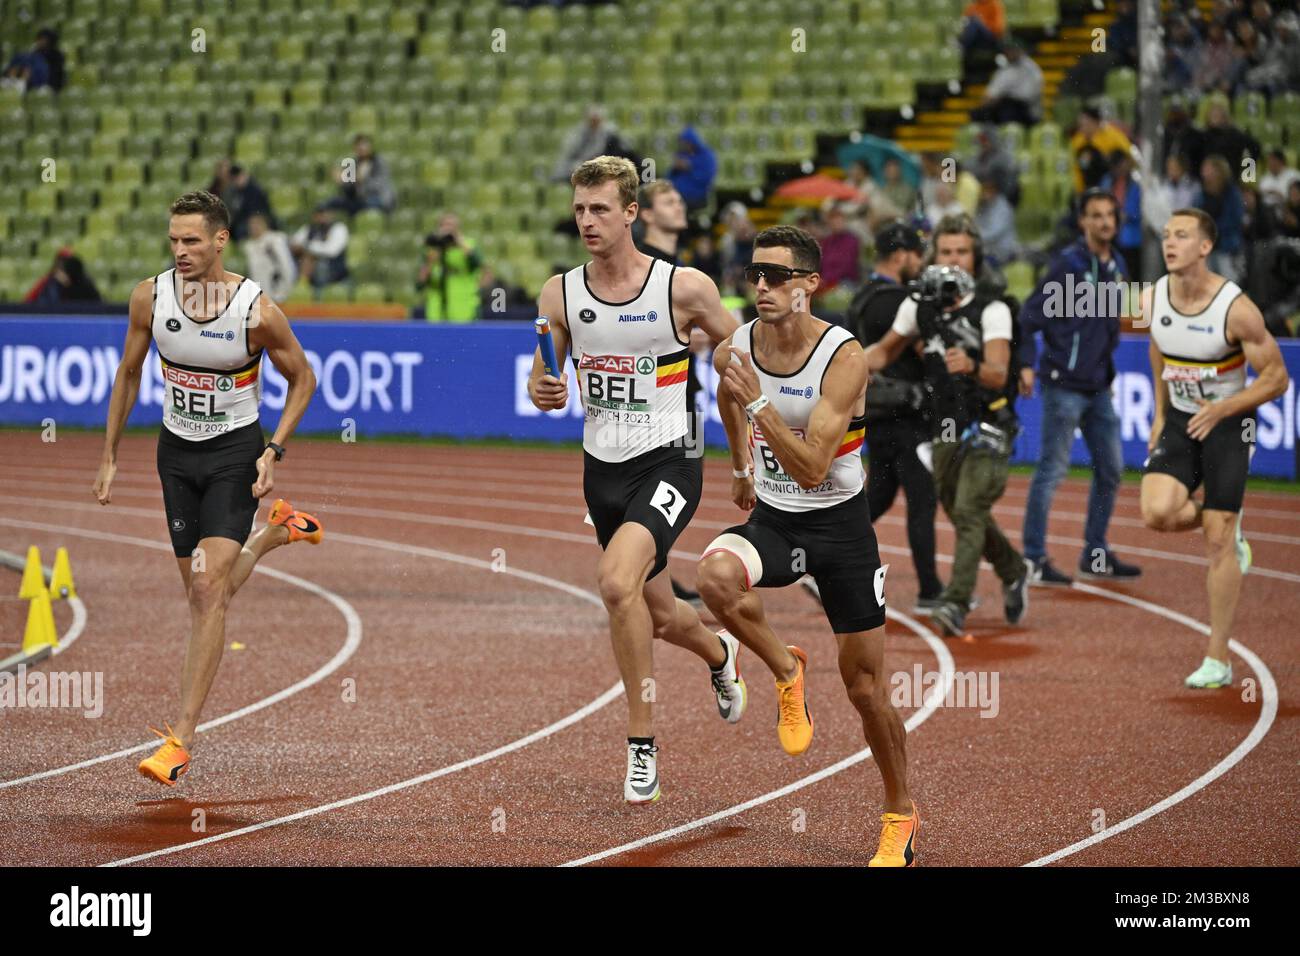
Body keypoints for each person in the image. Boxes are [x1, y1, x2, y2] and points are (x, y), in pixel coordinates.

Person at [696, 225, 920, 867]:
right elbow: (724, 396)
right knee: (713, 578)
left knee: (866, 689)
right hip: (777, 525)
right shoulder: (736, 346)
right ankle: (788, 669)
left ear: (809, 285)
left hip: (841, 530)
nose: (761, 286)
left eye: (776, 276)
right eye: (753, 275)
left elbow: (814, 468)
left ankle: (900, 814)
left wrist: (760, 404)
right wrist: (739, 466)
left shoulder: (842, 357)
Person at [527, 156, 742, 804]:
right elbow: (542, 374)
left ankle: (642, 744)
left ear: (631, 213)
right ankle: (719, 656)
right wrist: (541, 386)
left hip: (672, 457)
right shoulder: (557, 294)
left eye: (599, 210)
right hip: (603, 471)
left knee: (615, 583)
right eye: (579, 210)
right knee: (661, 612)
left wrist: (751, 450)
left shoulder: (685, 289)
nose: (587, 221)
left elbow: (743, 356)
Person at [91, 191, 322, 785]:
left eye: (191, 240)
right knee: (204, 594)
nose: (180, 250)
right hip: (175, 456)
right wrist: (111, 454)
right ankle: (273, 535)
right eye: (173, 240)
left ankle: (181, 739)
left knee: (205, 591)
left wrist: (275, 449)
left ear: (220, 240)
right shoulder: (150, 296)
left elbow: (303, 379)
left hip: (233, 456)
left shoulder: (256, 310)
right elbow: (129, 372)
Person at [1140, 208, 1290, 687]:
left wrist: (1224, 410)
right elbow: (1158, 346)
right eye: (1166, 235)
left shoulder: (1235, 309)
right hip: (1184, 420)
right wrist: (1162, 413)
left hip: (1228, 423)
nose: (1169, 243)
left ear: (1204, 247)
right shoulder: (1153, 298)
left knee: (1217, 538)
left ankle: (1217, 659)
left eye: (1181, 236)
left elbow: (1276, 378)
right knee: (1157, 513)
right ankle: (1223, 521)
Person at [864, 216, 1032, 637]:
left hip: (990, 424)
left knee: (971, 508)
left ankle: (954, 604)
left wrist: (971, 365)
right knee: (962, 514)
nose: (953, 259)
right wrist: (830, 363)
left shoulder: (992, 308)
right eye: (946, 252)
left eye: (962, 252)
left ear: (975, 259)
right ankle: (1014, 571)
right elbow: (882, 354)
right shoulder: (917, 305)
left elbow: (998, 372)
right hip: (945, 426)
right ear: (933, 257)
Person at [1018, 189, 1141, 586]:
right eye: (1096, 215)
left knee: (1111, 468)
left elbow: (1106, 325)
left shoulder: (1117, 265)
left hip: (1098, 387)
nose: (1105, 222)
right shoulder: (1067, 267)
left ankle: (1095, 552)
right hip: (1064, 387)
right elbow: (1027, 318)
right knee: (1052, 471)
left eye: (1110, 215)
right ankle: (1034, 558)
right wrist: (1025, 364)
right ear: (1083, 222)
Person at [847, 220, 944, 612]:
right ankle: (931, 591)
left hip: (877, 413)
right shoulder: (899, 300)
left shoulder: (862, 296)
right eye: (918, 255)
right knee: (922, 500)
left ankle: (822, 564)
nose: (921, 263)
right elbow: (925, 352)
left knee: (879, 496)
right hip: (906, 415)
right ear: (901, 255)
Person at [636, 180, 707, 603]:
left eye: (681, 199)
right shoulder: (644, 266)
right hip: (655, 398)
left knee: (677, 486)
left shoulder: (680, 268)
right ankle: (652, 576)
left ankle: (653, 573)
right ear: (645, 214)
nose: (679, 205)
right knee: (665, 485)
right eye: (669, 201)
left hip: (685, 391)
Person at [417, 213, 482, 322]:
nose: (448, 229)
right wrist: (431, 259)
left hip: (464, 308)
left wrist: (459, 242)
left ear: (458, 229)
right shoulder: (432, 250)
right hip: (437, 311)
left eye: (451, 226)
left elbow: (477, 264)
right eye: (444, 226)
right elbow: (419, 284)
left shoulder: (468, 245)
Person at [972, 40, 1043, 126]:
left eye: (1011, 50)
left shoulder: (1030, 68)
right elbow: (991, 93)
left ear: (1020, 50)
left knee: (1008, 108)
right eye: (1007, 50)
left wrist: (1003, 97)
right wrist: (988, 102)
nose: (1008, 52)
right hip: (1003, 106)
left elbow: (1028, 95)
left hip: (1026, 110)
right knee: (978, 114)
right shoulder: (1004, 68)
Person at [291, 204, 350, 296]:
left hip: (333, 269)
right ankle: (301, 284)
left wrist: (308, 247)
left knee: (310, 257)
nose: (323, 217)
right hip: (314, 271)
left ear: (332, 215)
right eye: (320, 214)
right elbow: (294, 243)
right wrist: (306, 247)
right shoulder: (309, 228)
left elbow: (332, 251)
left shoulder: (339, 228)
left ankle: (303, 283)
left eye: (325, 214)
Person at [334, 135, 397, 215]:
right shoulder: (353, 163)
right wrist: (342, 181)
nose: (362, 148)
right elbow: (349, 190)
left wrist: (362, 180)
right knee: (333, 203)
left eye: (364, 145)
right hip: (359, 199)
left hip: (380, 199)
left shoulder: (379, 162)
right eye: (359, 145)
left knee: (361, 204)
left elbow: (379, 185)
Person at [242, 213, 296, 302]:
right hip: (258, 296)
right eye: (251, 224)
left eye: (257, 223)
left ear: (265, 225)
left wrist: (282, 292)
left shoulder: (275, 240)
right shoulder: (248, 246)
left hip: (277, 294)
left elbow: (287, 266)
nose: (254, 227)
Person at [668, 126, 717, 213]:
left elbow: (706, 178)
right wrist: (674, 169)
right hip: (677, 196)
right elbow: (669, 177)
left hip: (696, 198)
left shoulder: (706, 156)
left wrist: (689, 168)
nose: (682, 144)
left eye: (684, 142)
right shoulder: (681, 154)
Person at [26, 251, 101, 304]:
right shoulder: (50, 281)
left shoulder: (86, 285)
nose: (59, 272)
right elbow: (30, 299)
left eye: (63, 268)